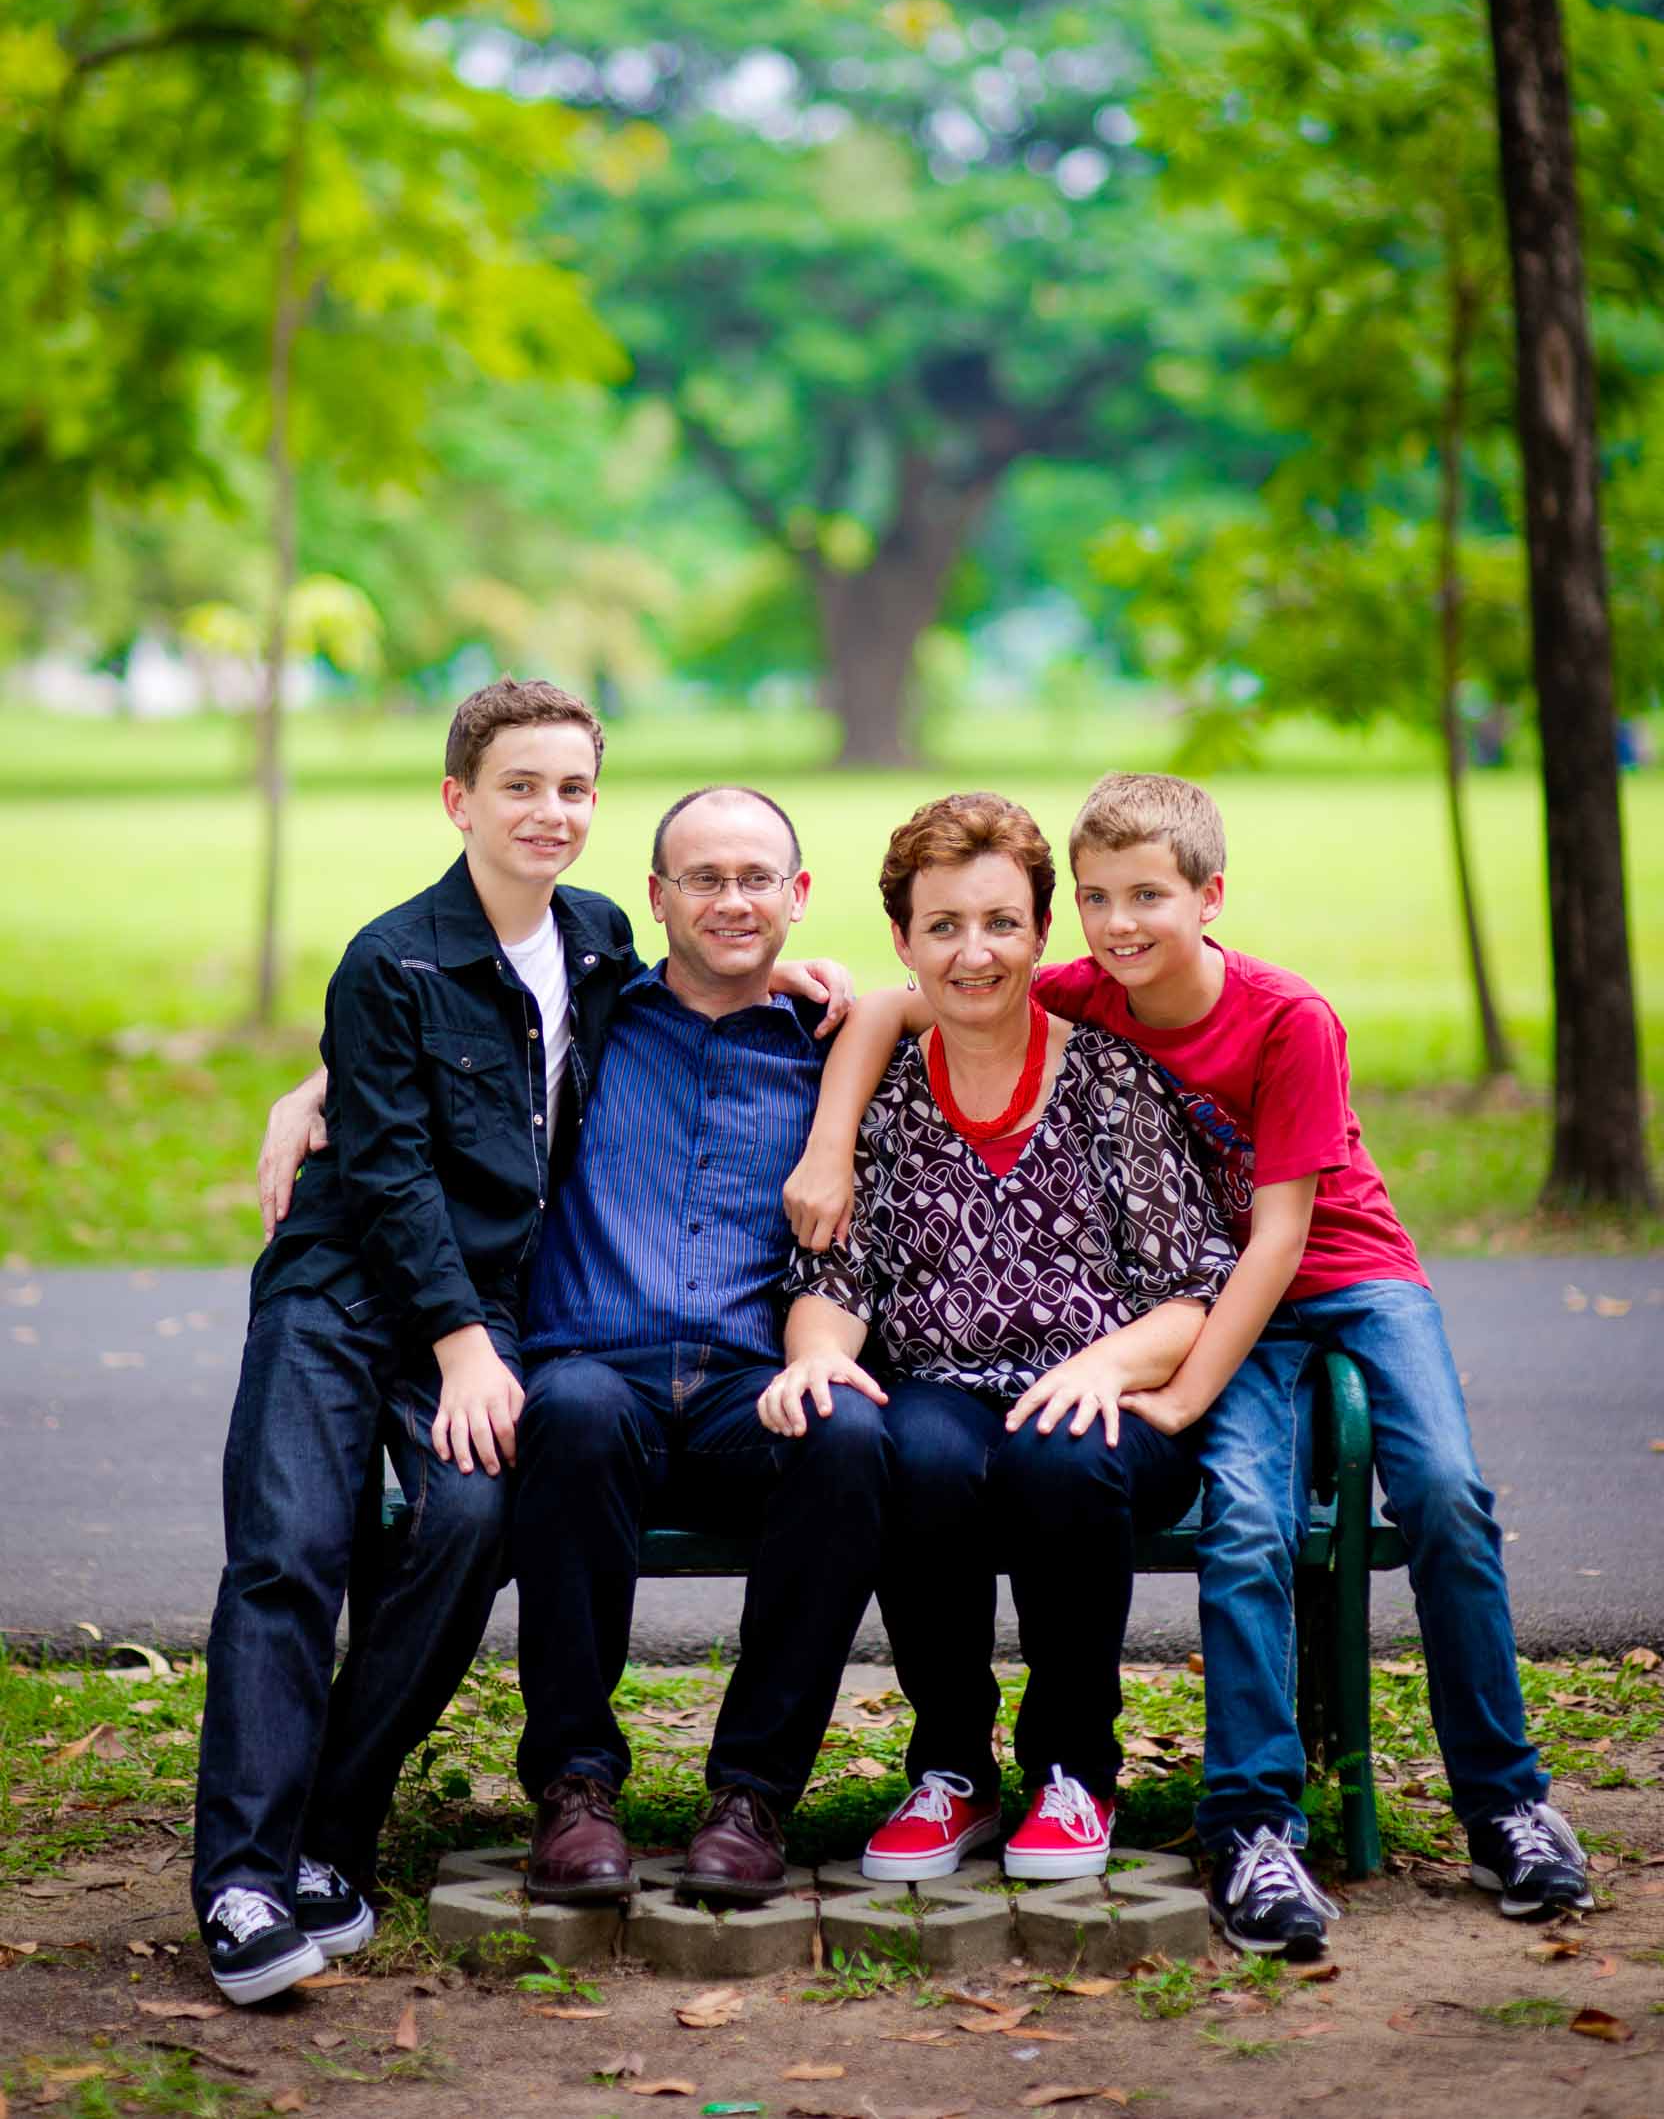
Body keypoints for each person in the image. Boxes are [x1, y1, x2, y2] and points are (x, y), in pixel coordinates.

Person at [788, 771, 1588, 1957]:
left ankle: (1506, 1799)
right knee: (1249, 1526)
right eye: (1100, 898)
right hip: (1223, 1306)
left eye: (1147, 897)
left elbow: (1273, 1240)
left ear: (1209, 897)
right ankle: (1249, 1821)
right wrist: (829, 1139)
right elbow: (900, 1007)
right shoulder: (1070, 985)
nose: (1120, 925)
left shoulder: (1283, 1017)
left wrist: (1178, 1391)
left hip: (1336, 1277)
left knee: (1443, 1498)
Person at [195, 677, 627, 2004]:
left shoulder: (602, 940)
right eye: (520, 786)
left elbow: (702, 993)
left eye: (572, 788)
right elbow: (382, 1173)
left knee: (469, 1520)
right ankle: (242, 1880)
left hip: (482, 1308)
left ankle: (333, 1834)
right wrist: (456, 1345)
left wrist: (810, 972)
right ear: (459, 801)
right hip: (344, 1294)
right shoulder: (391, 957)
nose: (548, 811)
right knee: (289, 1554)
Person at [763, 793, 1236, 1884]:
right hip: (943, 1385)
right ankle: (953, 1772)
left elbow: (1187, 1292)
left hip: (1111, 1399)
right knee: (915, 1449)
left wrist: (1096, 1367)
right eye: (941, 926)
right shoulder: (880, 1099)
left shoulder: (1111, 1082)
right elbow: (834, 1271)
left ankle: (1074, 1769)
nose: (971, 953)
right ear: (902, 941)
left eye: (999, 923)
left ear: (1038, 931)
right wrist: (818, 1352)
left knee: (1057, 1450)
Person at [510, 785, 890, 1909]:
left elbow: (963, 1001)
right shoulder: (587, 1016)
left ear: (798, 895)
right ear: (657, 897)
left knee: (851, 1432)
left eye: (756, 879)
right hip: (595, 1372)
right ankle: (574, 1785)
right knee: (569, 1413)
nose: (731, 901)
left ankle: (752, 1795)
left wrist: (860, 1005)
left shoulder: (839, 1048)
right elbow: (423, 1041)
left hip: (746, 1387)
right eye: (705, 879)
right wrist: (309, 1085)